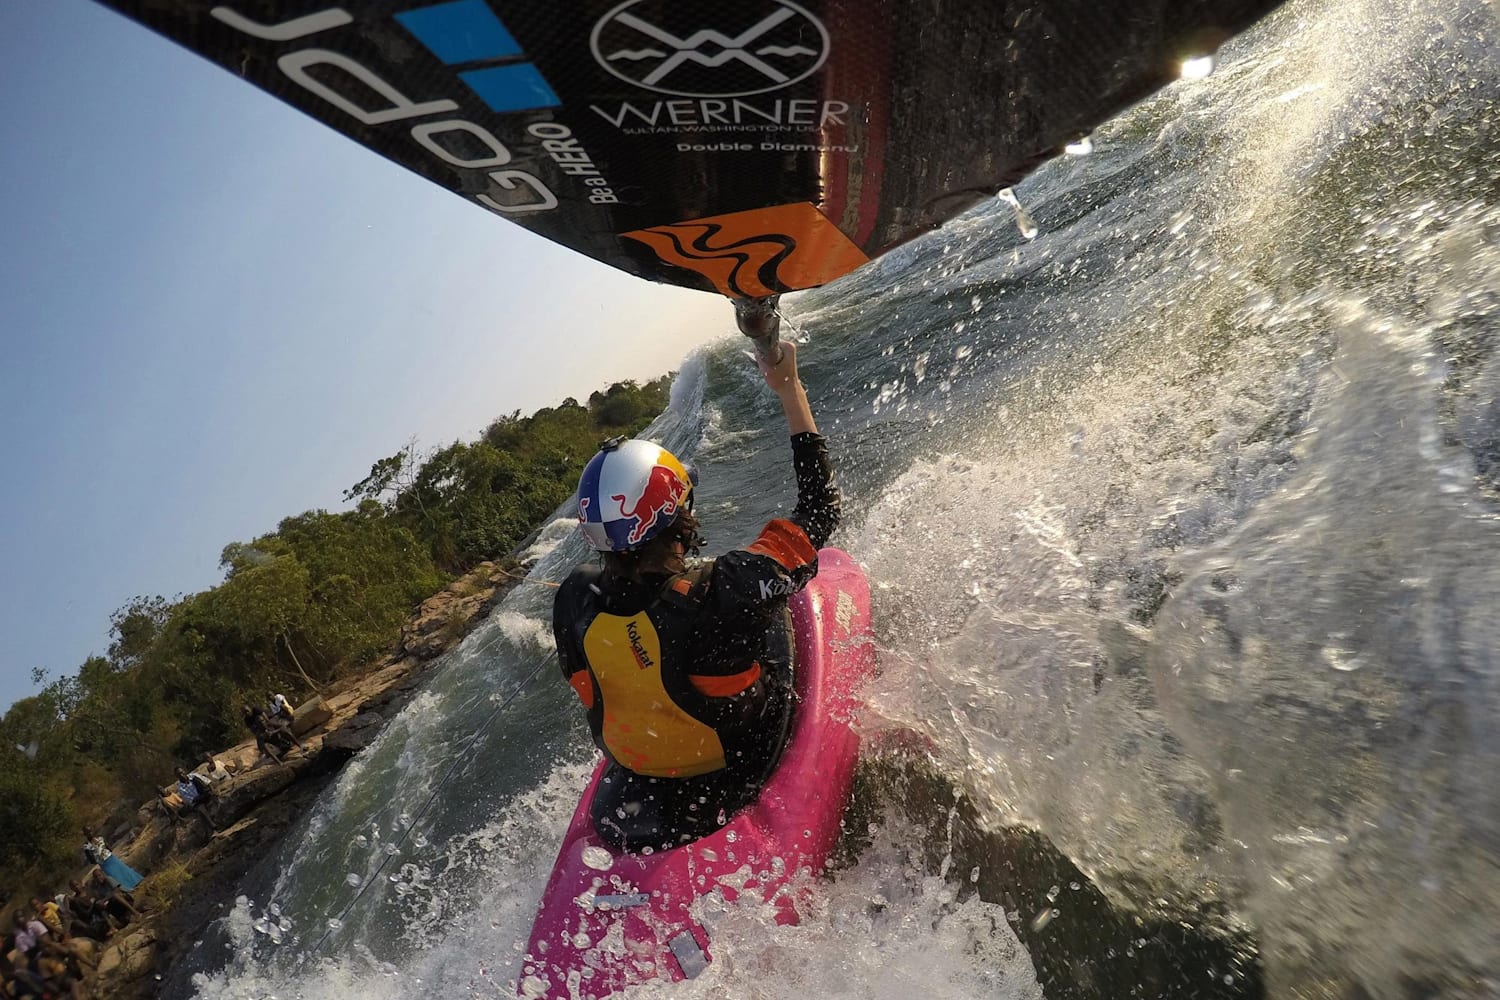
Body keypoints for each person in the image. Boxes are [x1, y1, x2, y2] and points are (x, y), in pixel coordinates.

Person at [552, 340, 840, 852]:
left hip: (641, 782)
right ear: (677, 518)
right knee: (772, 608)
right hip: (733, 767)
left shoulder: (573, 597)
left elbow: (594, 679)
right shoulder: (729, 587)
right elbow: (820, 510)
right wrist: (789, 386)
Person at [81, 826, 143, 892]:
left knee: (123, 870)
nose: (90, 833)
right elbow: (90, 858)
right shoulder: (87, 846)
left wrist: (107, 851)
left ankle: (136, 881)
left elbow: (108, 847)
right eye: (87, 832)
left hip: (111, 858)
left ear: (93, 831)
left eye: (90, 831)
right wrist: (97, 859)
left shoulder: (100, 838)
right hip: (104, 863)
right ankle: (127, 889)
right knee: (115, 876)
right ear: (85, 834)